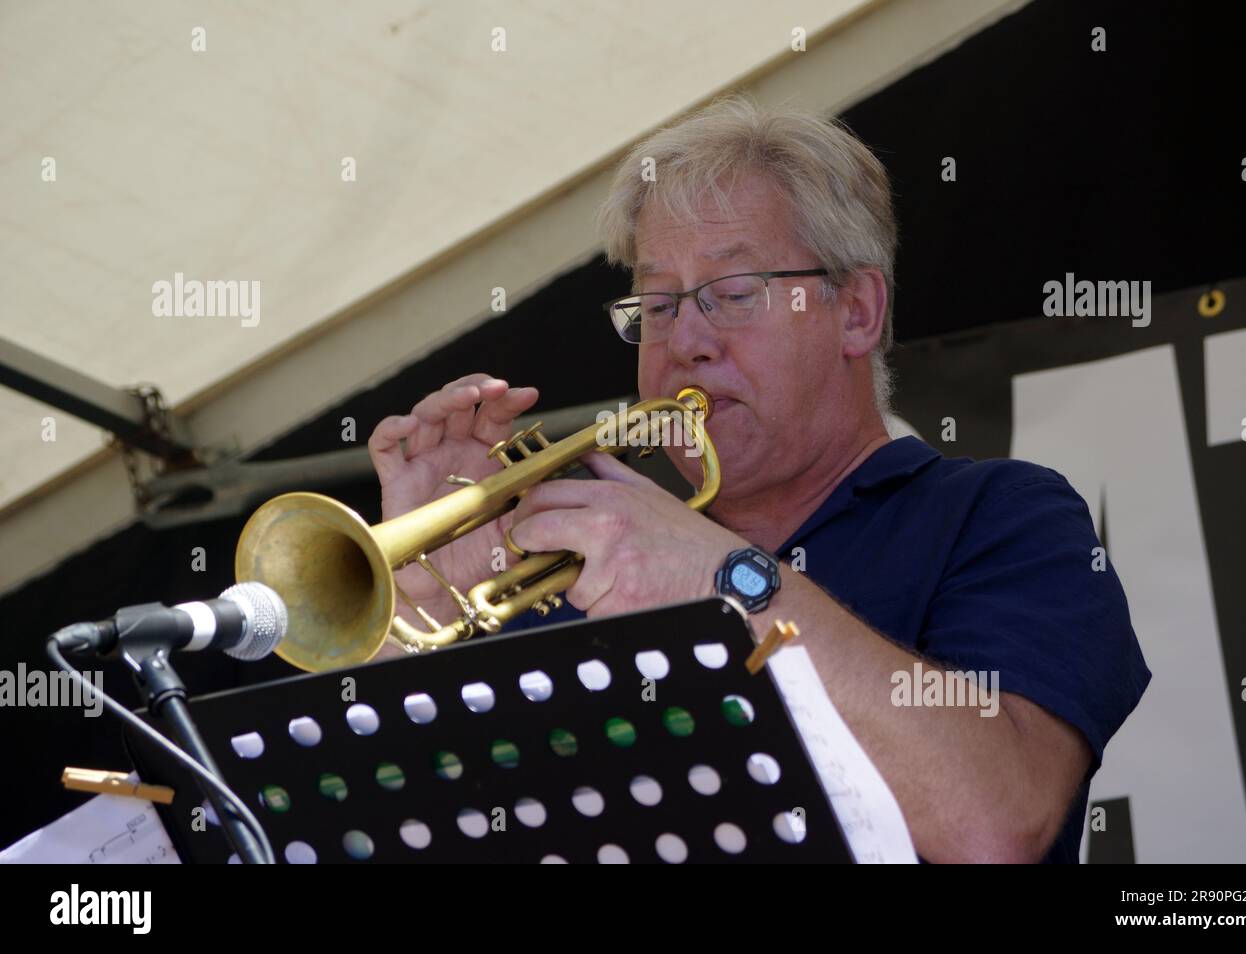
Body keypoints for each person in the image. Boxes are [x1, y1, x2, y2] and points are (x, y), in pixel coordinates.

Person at [366, 96, 1150, 863]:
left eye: (734, 294)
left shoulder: (1001, 517)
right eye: (659, 303)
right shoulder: (572, 562)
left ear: (856, 313)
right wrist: (422, 594)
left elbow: (994, 827)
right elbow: (379, 812)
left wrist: (723, 578)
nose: (686, 342)